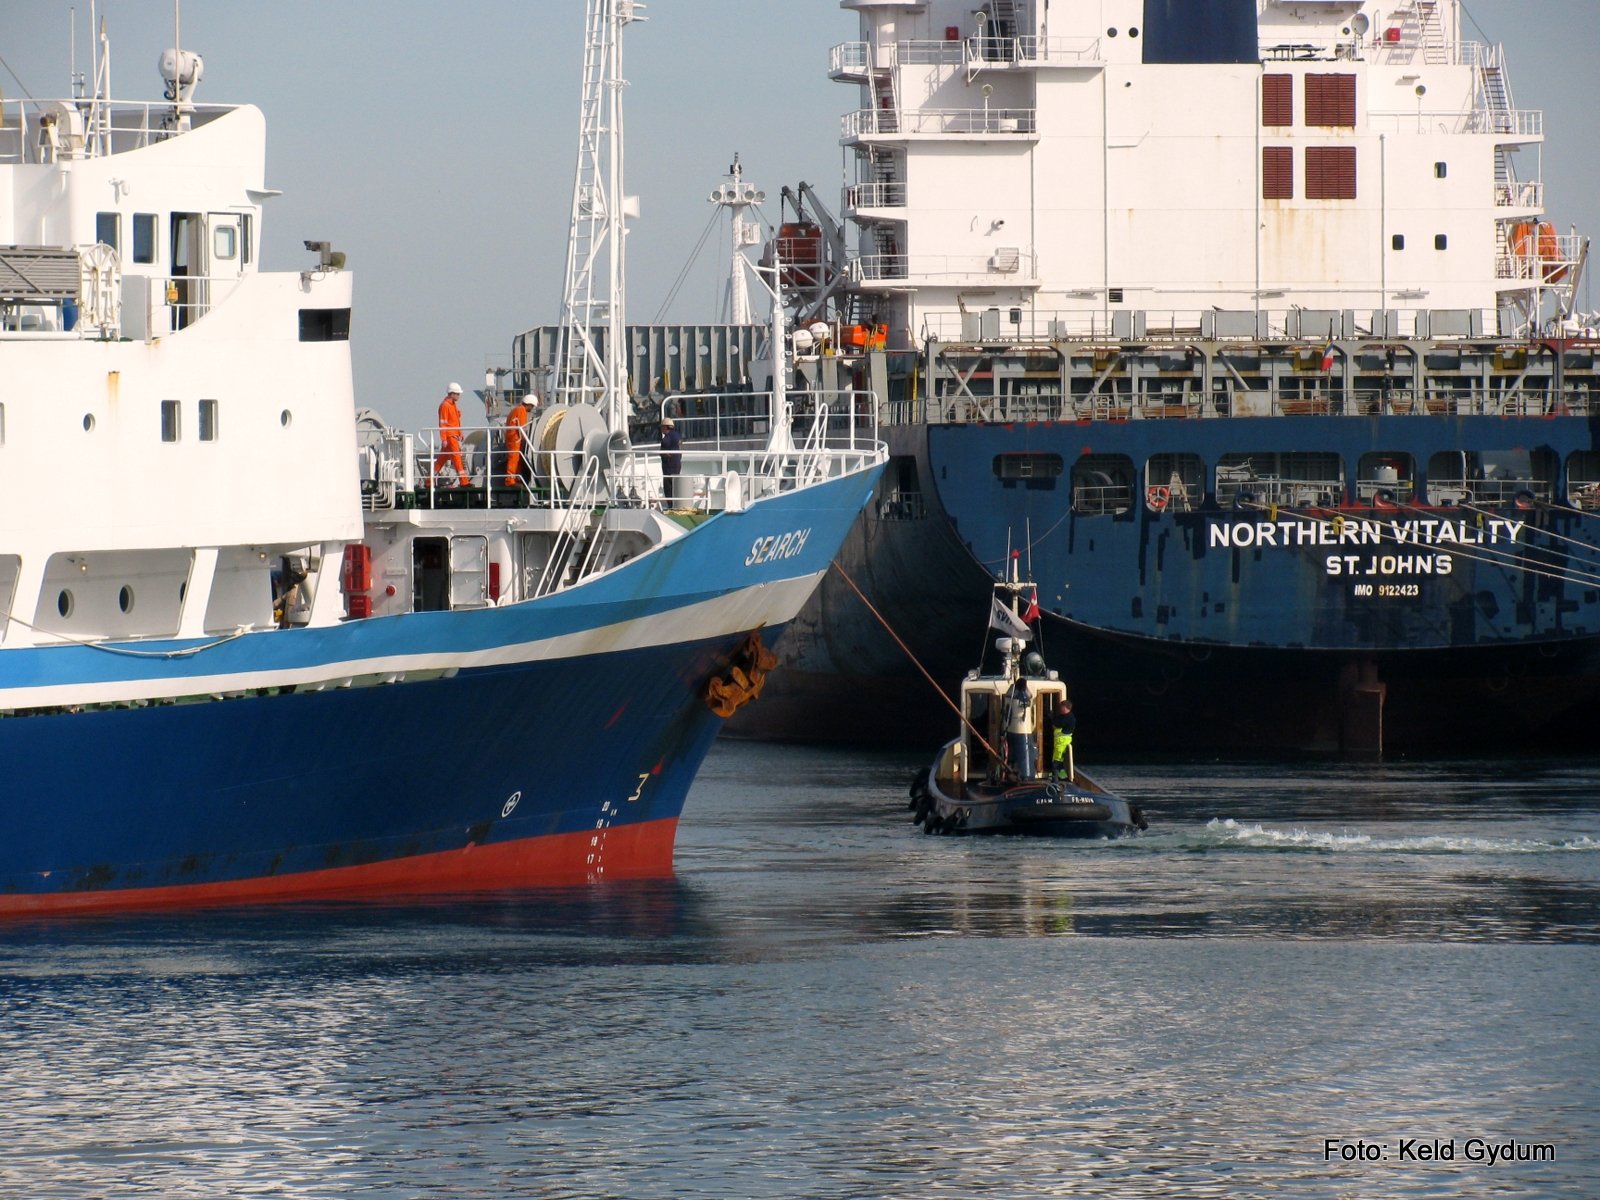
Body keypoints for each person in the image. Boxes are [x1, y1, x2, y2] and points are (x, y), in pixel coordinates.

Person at [431, 382, 467, 487]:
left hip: (454, 436)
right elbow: (443, 423)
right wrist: (444, 439)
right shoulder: (445, 406)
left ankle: (429, 480)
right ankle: (464, 481)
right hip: (450, 437)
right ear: (452, 393)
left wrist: (460, 433)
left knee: (441, 460)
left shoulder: (453, 406)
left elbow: (456, 421)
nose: (459, 396)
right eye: (457, 394)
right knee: (457, 457)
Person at [503, 394, 532, 488]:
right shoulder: (521, 410)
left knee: (516, 458)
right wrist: (526, 439)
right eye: (532, 406)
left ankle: (516, 478)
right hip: (515, 439)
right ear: (530, 404)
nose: (532, 409)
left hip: (512, 438)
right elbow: (522, 427)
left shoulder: (515, 410)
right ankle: (510, 480)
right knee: (514, 458)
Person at [1051, 700, 1077, 782]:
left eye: (1061, 707)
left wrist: (1054, 722)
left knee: (1056, 761)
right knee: (1059, 762)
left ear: (1066, 708)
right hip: (1059, 742)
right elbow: (1055, 721)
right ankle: (1064, 777)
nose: (1060, 709)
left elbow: (1057, 724)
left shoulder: (1069, 718)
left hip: (1062, 742)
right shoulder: (1062, 716)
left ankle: (1054, 779)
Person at [659, 417, 682, 504]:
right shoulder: (677, 436)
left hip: (669, 466)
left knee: (668, 487)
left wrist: (662, 454)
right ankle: (676, 503)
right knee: (676, 485)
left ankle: (671, 505)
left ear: (666, 427)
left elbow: (665, 451)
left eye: (662, 427)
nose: (661, 429)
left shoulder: (667, 438)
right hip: (677, 464)